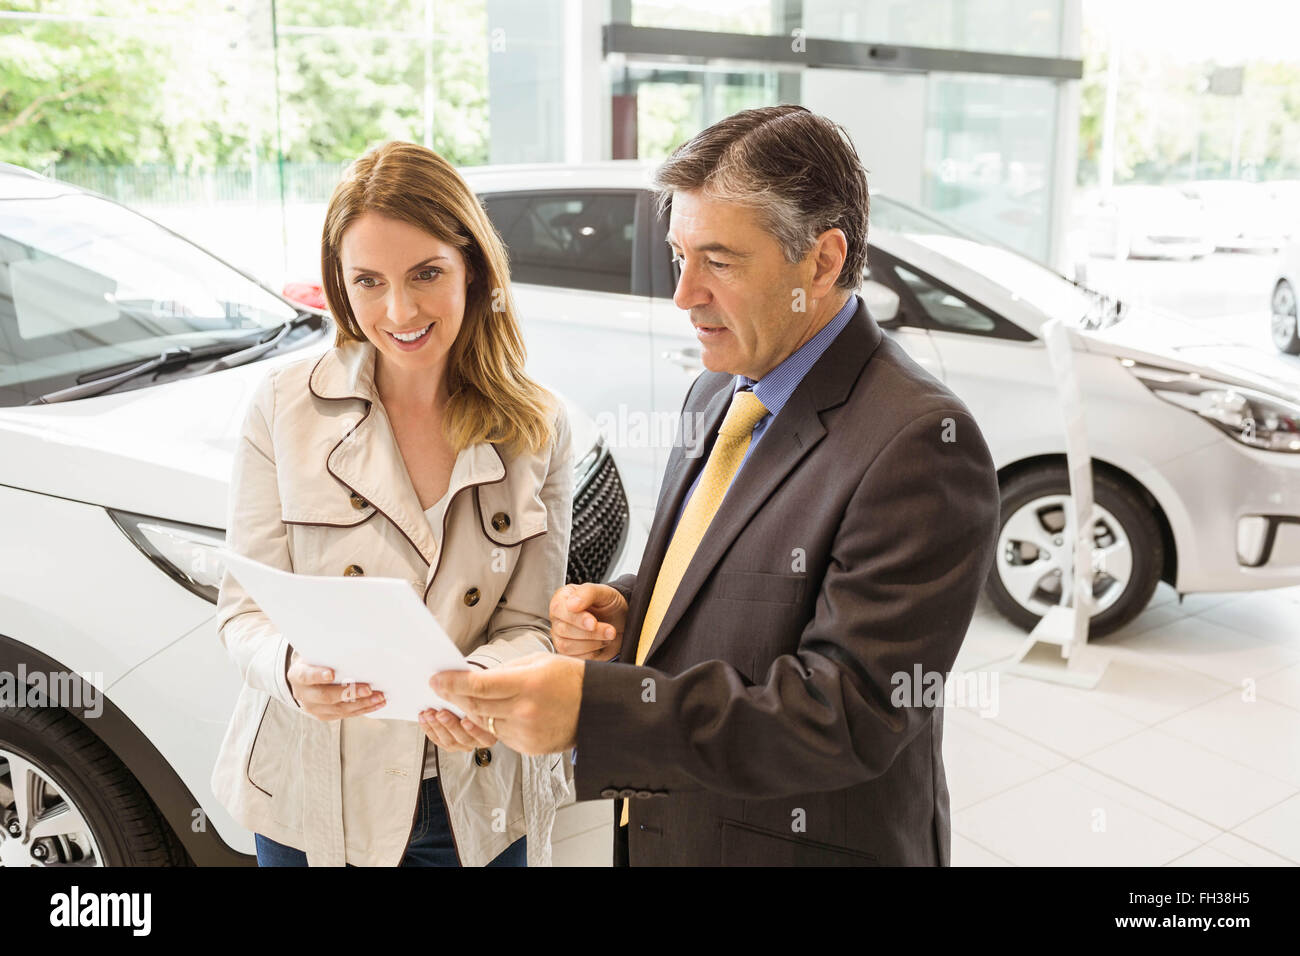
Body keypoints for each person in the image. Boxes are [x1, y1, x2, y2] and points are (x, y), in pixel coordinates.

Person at [432, 105, 1001, 866]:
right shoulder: (721, 388)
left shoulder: (918, 442)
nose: (684, 293)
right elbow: (718, 570)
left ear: (823, 261)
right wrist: (629, 606)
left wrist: (591, 713)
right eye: (679, 256)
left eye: (721, 262)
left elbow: (850, 712)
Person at [210, 140, 574, 867]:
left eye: (426, 274)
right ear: (340, 287)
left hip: (470, 795)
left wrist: (482, 684)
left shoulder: (537, 426)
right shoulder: (285, 406)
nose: (399, 309)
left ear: (471, 266)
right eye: (368, 281)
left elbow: (533, 622)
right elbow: (243, 611)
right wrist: (290, 669)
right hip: (312, 790)